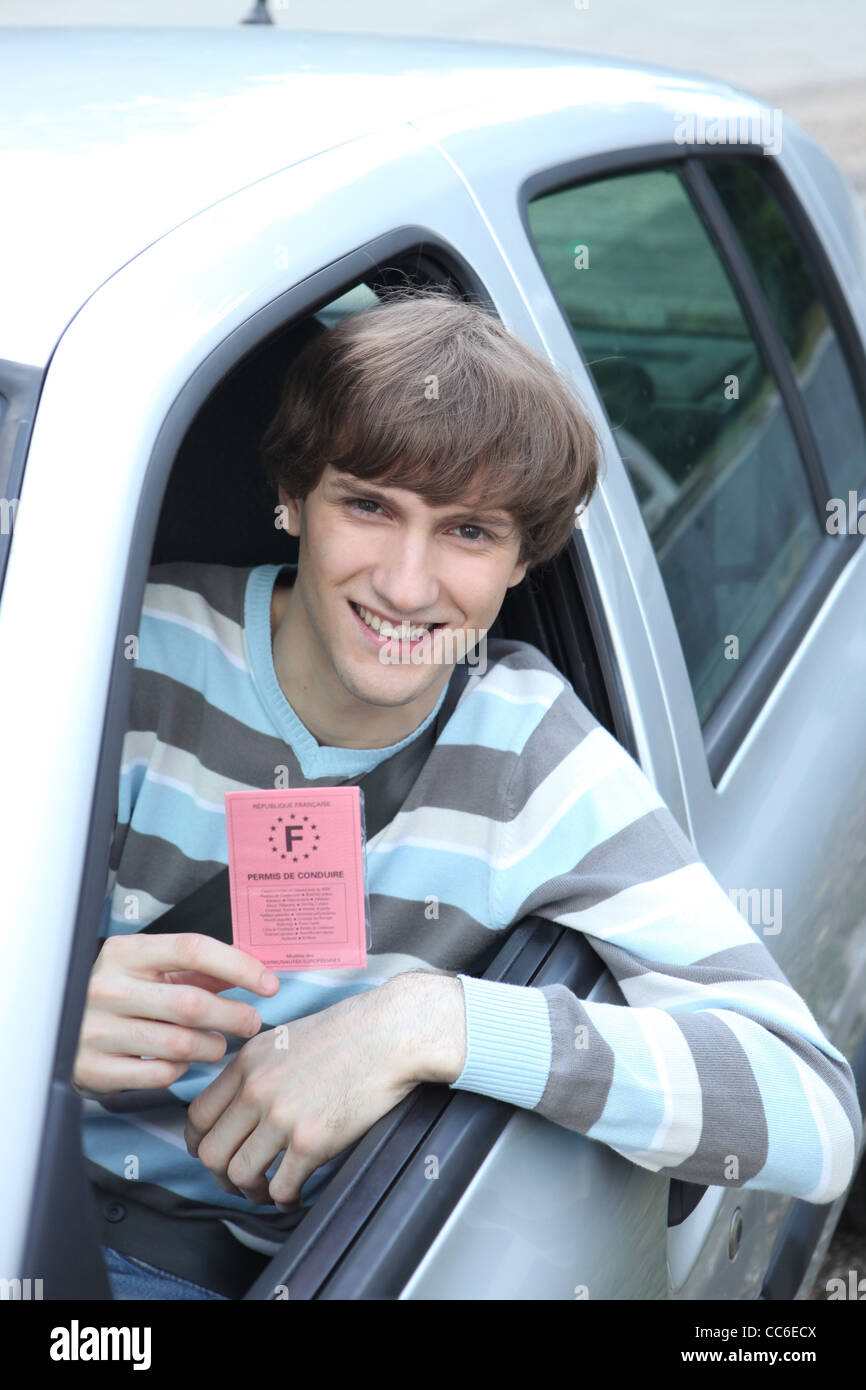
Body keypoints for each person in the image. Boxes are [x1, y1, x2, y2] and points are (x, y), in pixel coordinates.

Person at [75, 287, 862, 1300]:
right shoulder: (117, 653)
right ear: (291, 498)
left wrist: (430, 1023)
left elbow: (811, 1113)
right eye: (368, 505)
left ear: (522, 558)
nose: (406, 586)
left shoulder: (534, 755)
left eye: (467, 532)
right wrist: (34, 1014)